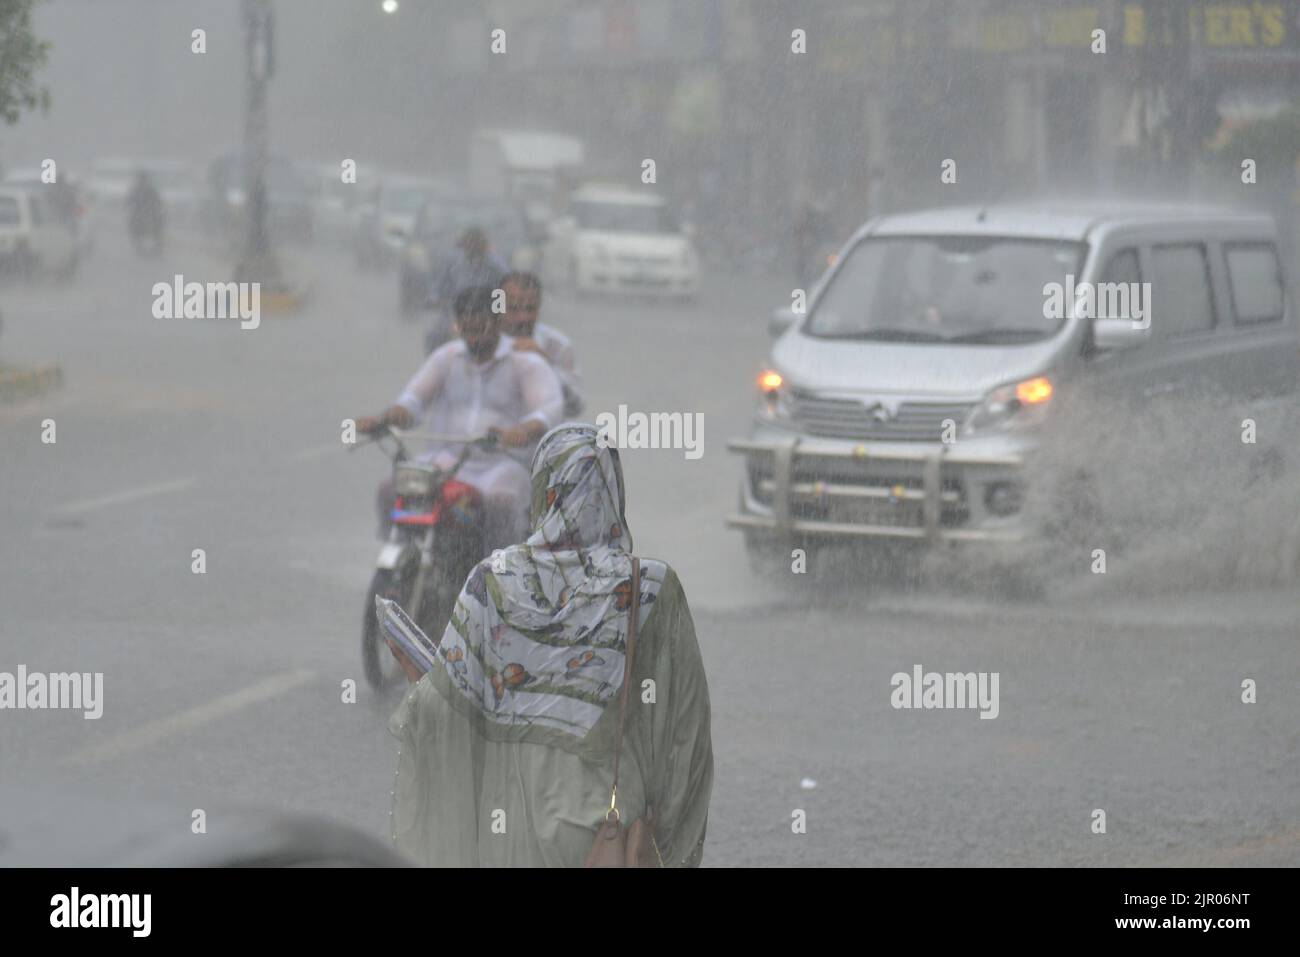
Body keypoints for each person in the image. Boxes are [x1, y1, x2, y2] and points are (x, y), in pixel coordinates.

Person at [387, 423, 714, 867]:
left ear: (543, 493)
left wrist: (412, 665)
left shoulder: (493, 578)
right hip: (606, 823)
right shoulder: (650, 586)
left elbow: (440, 711)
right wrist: (672, 836)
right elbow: (683, 730)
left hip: (510, 824)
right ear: (613, 492)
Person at [357, 285, 563, 553]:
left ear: (498, 322)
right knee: (391, 488)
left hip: (502, 466)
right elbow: (413, 400)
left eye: (481, 328)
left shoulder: (526, 362)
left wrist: (523, 430)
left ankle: (496, 573)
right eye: (468, 329)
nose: (474, 336)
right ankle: (402, 552)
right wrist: (389, 417)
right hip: (447, 462)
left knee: (501, 503)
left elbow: (548, 409)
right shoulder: (446, 358)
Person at [501, 271, 584, 417]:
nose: (523, 318)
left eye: (530, 309)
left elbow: (574, 408)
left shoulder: (557, 346)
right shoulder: (480, 342)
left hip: (541, 438)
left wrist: (547, 366)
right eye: (514, 308)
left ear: (539, 307)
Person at [424, 227, 509, 355]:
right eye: (470, 245)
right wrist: (434, 299)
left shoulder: (496, 266)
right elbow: (438, 286)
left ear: (485, 247)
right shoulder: (452, 263)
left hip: (487, 314)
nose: (473, 249)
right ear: (463, 246)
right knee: (435, 336)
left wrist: (499, 310)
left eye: (477, 245)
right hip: (455, 314)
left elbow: (505, 289)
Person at [126, 171, 164, 253]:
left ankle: (157, 244)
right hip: (142, 213)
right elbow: (129, 201)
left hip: (148, 213)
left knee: (157, 225)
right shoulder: (137, 189)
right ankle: (149, 244)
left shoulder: (148, 189)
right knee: (134, 225)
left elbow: (157, 201)